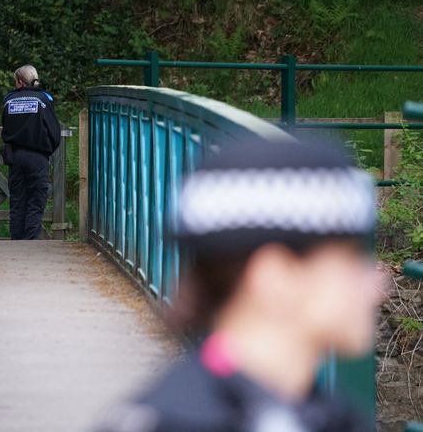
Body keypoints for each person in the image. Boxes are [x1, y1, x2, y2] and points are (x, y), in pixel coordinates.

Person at [94, 138, 385, 432]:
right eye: (351, 261)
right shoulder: (174, 424)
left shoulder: (332, 418)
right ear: (276, 277)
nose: (377, 285)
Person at [1, 64, 61, 240]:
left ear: (19, 82)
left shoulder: (9, 100)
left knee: (17, 201)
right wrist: (46, 151)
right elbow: (54, 132)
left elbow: (5, 127)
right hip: (37, 158)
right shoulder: (43, 100)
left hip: (15, 157)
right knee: (36, 201)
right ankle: (31, 242)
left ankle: (17, 241)